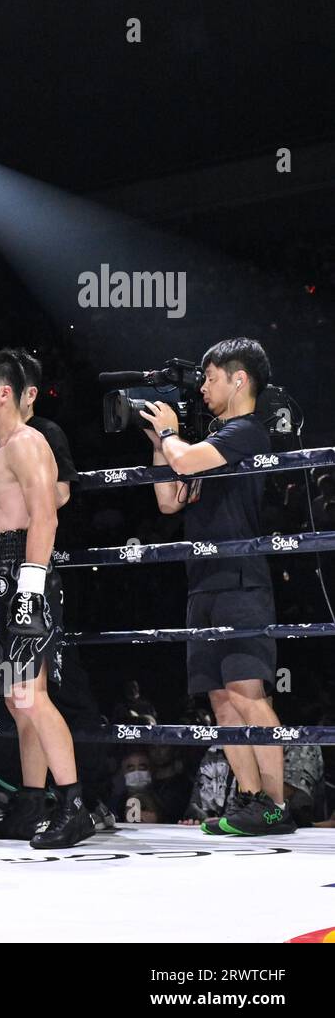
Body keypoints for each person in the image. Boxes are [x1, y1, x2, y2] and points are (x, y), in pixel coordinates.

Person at [0, 348, 112, 832]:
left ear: (3, 393)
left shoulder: (28, 443)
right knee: (16, 697)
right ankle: (32, 803)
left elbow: (46, 512)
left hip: (25, 574)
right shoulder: (0, 448)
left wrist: (30, 584)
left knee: (31, 694)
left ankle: (73, 809)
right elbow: (12, 511)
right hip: (3, 570)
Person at [141, 337, 294, 836]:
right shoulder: (209, 440)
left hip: (240, 577)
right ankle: (250, 799)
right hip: (201, 580)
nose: (203, 388)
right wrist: (158, 443)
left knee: (247, 692)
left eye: (210, 378)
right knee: (220, 699)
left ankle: (275, 803)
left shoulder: (247, 432)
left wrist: (171, 437)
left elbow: (184, 461)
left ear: (239, 380)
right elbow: (169, 500)